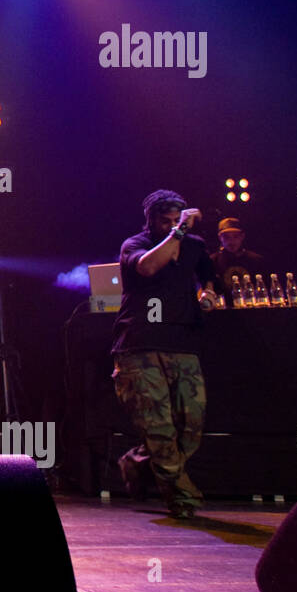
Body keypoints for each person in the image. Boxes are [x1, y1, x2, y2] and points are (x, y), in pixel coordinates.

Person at [111, 190, 218, 519]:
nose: (172, 225)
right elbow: (147, 268)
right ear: (151, 220)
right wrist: (180, 231)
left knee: (190, 424)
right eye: (165, 221)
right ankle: (182, 499)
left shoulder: (195, 245)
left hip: (182, 342)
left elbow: (208, 274)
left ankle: (138, 461)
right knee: (158, 427)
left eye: (177, 219)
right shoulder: (135, 244)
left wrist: (208, 292)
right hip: (139, 345)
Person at [209, 217, 267, 299]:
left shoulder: (256, 260)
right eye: (226, 237)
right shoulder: (212, 261)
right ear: (220, 238)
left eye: (235, 236)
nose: (231, 241)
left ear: (242, 237)